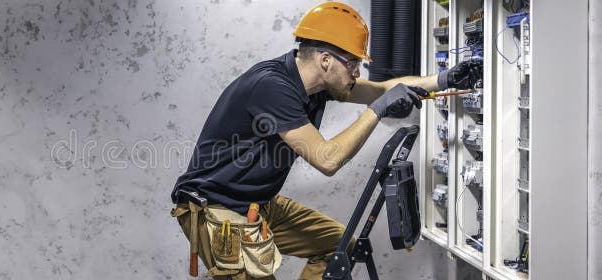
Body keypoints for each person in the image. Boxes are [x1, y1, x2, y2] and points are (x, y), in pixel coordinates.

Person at [170, 2, 482, 279]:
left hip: (256, 201)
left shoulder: (320, 87)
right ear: (325, 60)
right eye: (353, 63)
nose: (357, 73)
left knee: (336, 245)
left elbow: (383, 88)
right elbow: (327, 159)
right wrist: (375, 112)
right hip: (215, 210)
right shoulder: (272, 86)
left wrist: (444, 80)